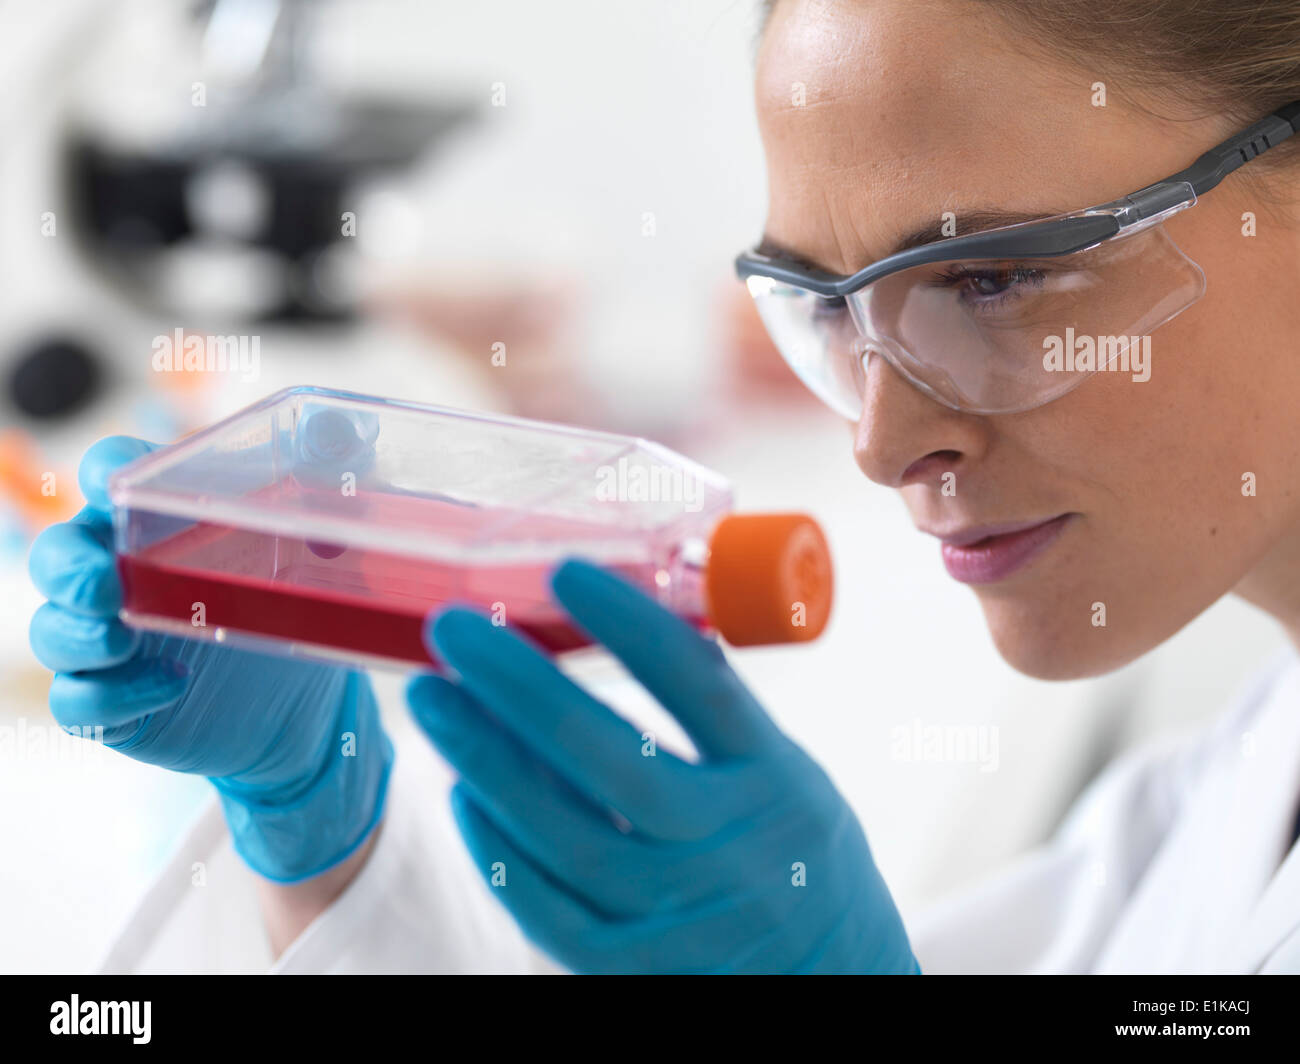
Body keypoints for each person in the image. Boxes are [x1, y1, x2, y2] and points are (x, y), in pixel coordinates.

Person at [27, 0, 1300, 973]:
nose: (879, 438)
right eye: (824, 310)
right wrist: (322, 837)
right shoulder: (1215, 806)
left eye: (991, 280)